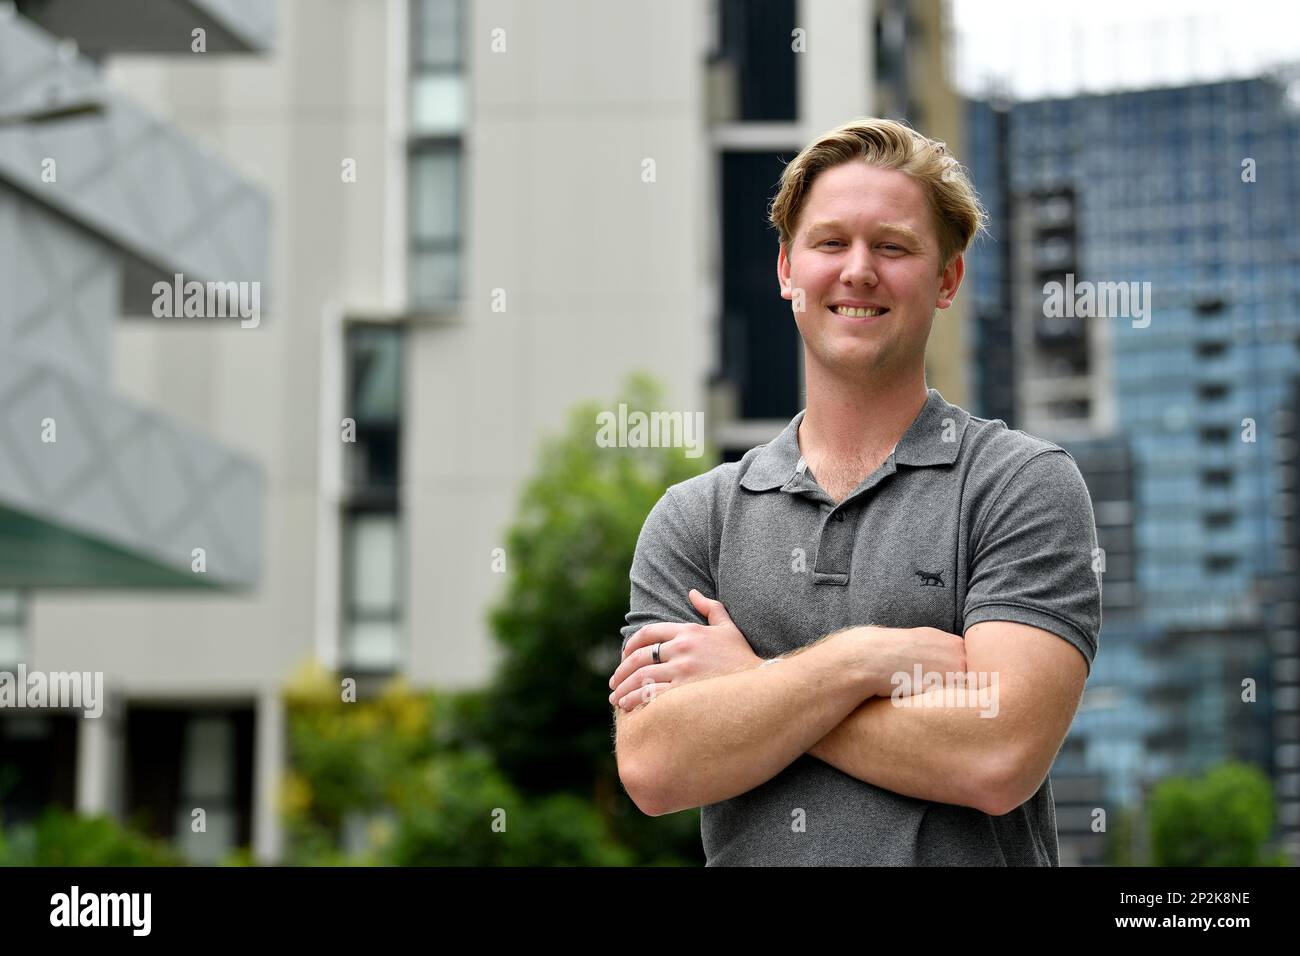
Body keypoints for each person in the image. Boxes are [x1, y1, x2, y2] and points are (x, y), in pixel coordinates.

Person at [608, 117, 1102, 866]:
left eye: (894, 246)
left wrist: (750, 687)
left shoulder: (1019, 485)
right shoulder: (695, 520)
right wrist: (862, 663)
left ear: (947, 279)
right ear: (786, 269)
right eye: (831, 243)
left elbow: (999, 755)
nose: (859, 270)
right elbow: (654, 766)